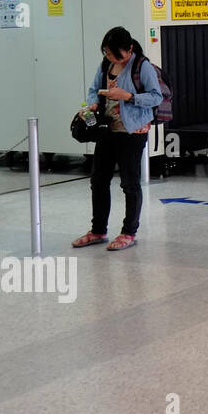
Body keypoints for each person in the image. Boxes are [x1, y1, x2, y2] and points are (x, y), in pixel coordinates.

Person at [71, 27, 163, 252]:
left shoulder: (143, 66)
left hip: (133, 131)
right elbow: (94, 89)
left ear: (129, 49)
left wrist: (128, 96)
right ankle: (98, 230)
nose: (110, 57)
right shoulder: (105, 65)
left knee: (130, 183)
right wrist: (93, 102)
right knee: (98, 180)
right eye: (106, 52)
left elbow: (156, 96)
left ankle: (129, 232)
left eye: (114, 54)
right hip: (107, 128)